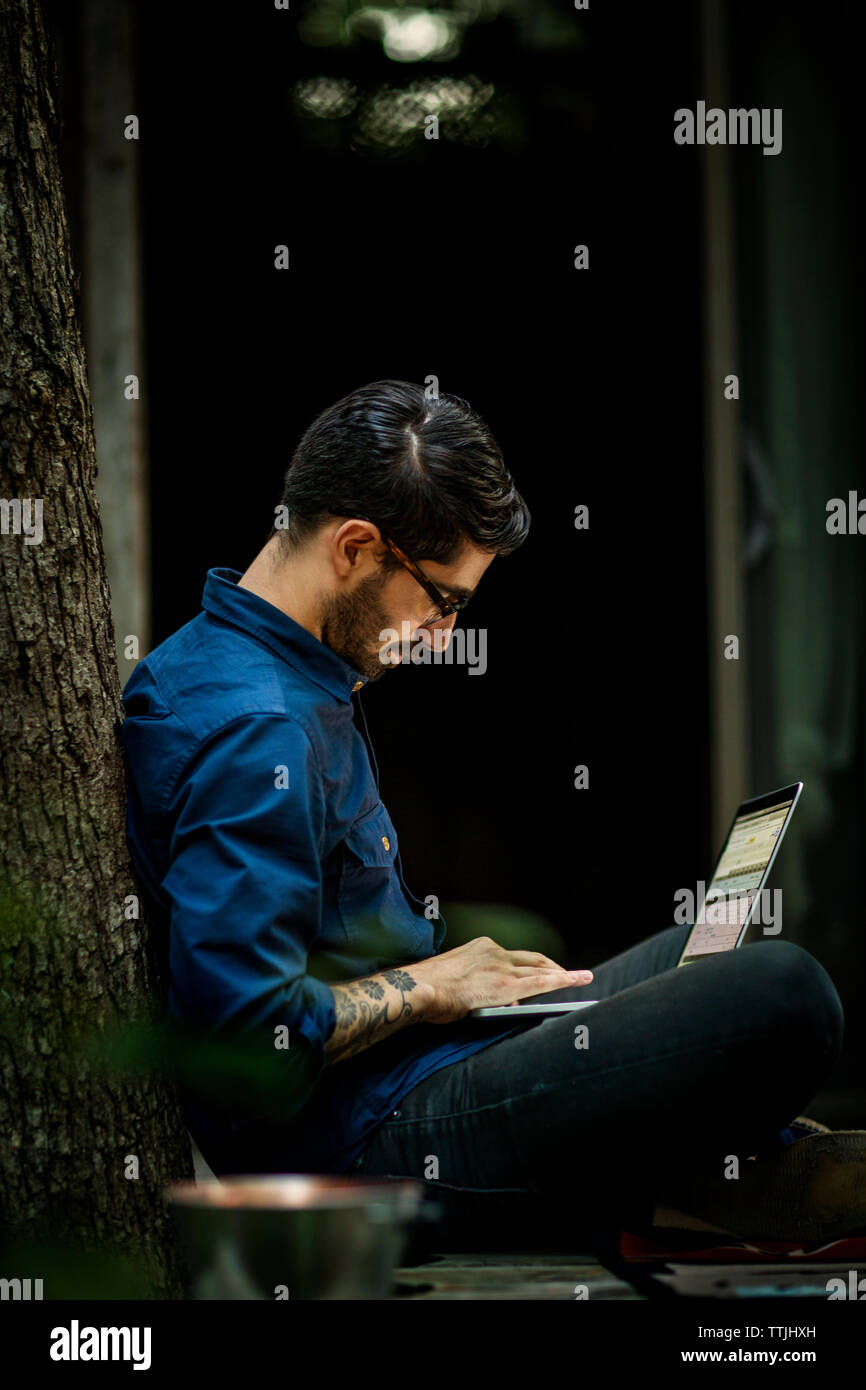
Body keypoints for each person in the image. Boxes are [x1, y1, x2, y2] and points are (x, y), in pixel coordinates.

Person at [121, 378, 865, 1254]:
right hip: (363, 1145)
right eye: (446, 600)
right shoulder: (259, 735)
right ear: (357, 546)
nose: (443, 634)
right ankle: (720, 1178)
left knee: (715, 940)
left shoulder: (249, 660)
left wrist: (453, 994)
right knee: (784, 996)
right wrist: (427, 989)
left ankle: (696, 1176)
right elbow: (245, 1044)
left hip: (419, 1068)